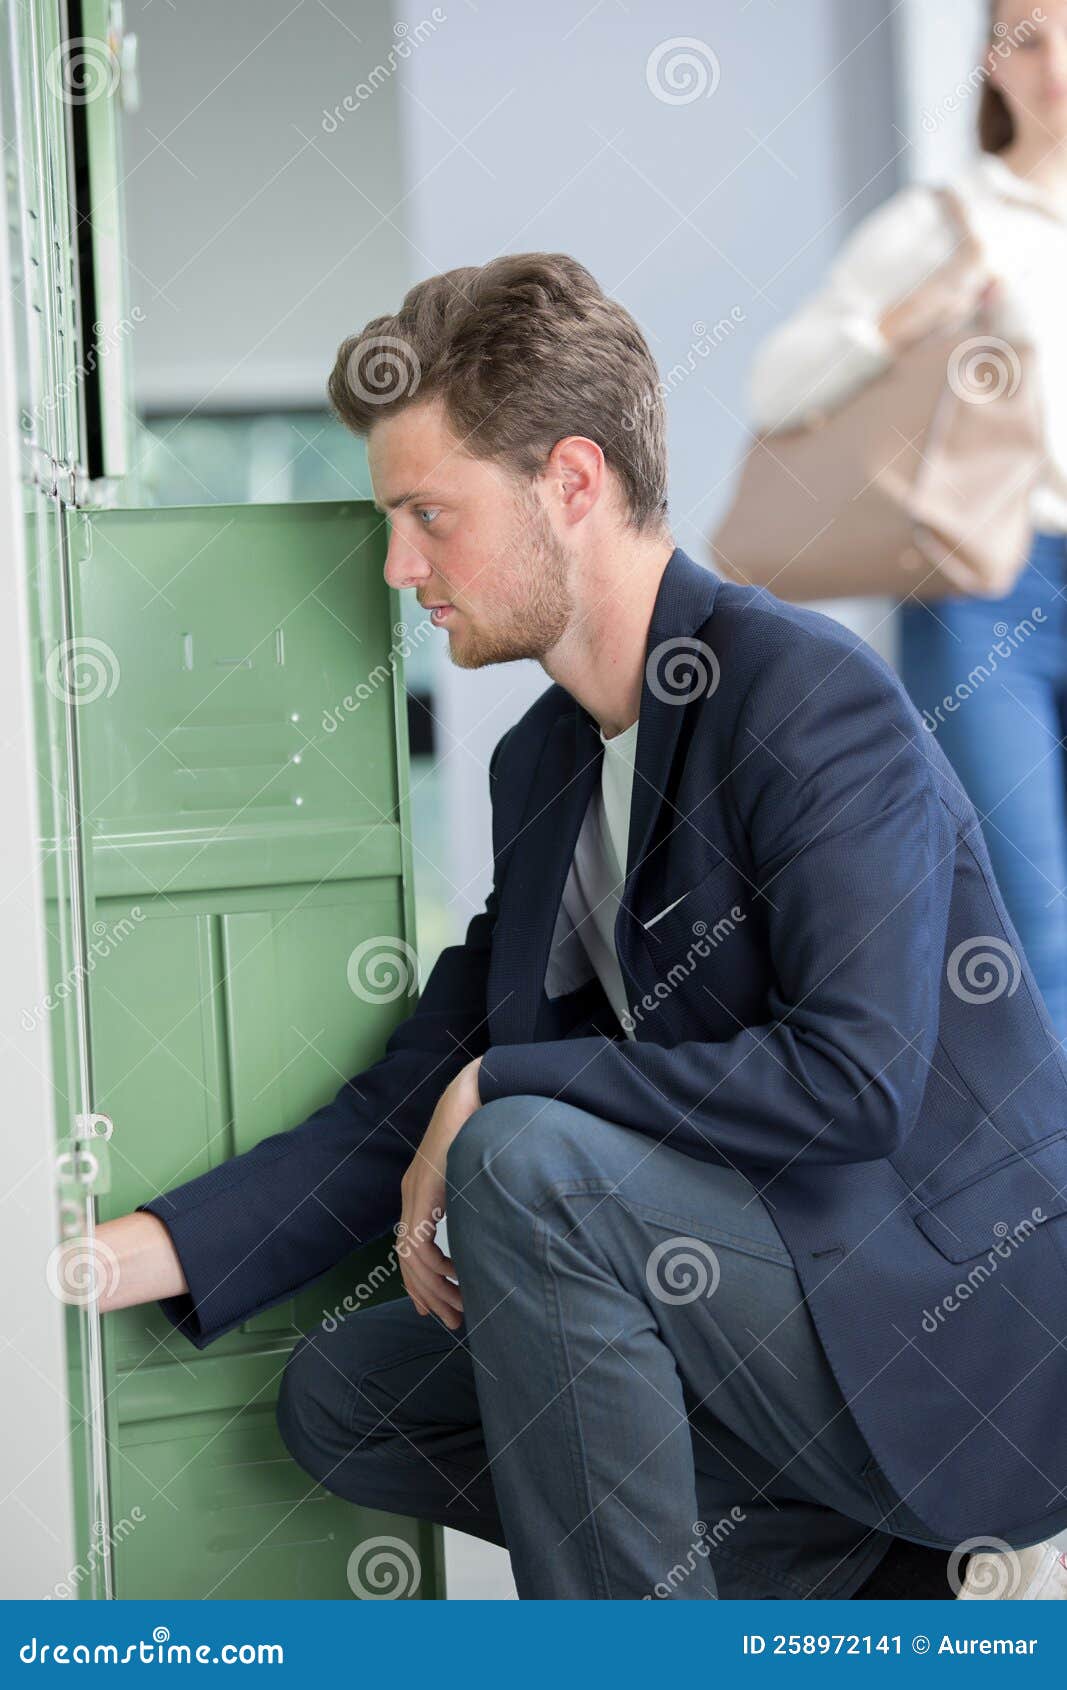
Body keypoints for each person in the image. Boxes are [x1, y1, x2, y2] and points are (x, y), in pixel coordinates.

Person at [90, 250, 1067, 1601]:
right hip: (757, 1305)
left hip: (935, 1339)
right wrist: (118, 1253)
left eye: (428, 514)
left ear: (568, 480)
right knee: (344, 1391)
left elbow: (852, 1081)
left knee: (525, 1155)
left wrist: (505, 1082)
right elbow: (417, 1084)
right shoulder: (545, 766)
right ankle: (828, 1559)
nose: (396, 566)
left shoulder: (800, 698)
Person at [745, 0, 1067, 1045]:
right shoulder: (943, 222)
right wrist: (911, 315)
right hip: (987, 597)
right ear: (989, 63)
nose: (1051, 61)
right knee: (1030, 928)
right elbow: (774, 388)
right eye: (1024, 35)